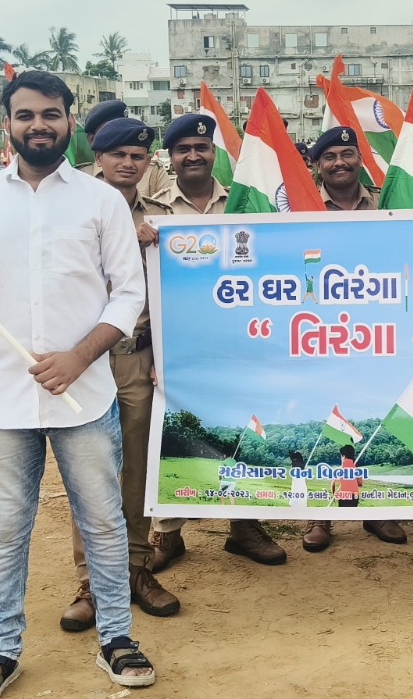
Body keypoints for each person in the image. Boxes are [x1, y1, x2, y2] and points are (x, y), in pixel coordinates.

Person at [0, 71, 156, 694]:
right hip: (4, 400)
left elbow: (128, 294)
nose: (38, 125)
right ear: (8, 124)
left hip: (86, 397)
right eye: (25, 115)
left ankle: (117, 639)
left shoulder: (102, 201)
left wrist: (79, 357)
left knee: (103, 524)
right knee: (4, 531)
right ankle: (0, 650)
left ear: (70, 122)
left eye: (51, 114)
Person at [148, 113, 287, 567]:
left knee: (240, 426)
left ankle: (244, 525)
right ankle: (168, 532)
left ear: (214, 154)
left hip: (239, 340)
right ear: (170, 157)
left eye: (201, 148)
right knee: (173, 430)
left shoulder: (244, 202)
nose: (193, 155)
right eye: (183, 149)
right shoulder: (151, 209)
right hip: (175, 346)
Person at [59, 116, 180, 634]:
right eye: (118, 155)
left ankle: (135, 568)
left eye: (138, 156)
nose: (128, 164)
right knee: (89, 468)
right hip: (86, 358)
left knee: (136, 469)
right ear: (99, 159)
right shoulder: (71, 210)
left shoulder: (162, 217)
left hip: (137, 357)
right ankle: (91, 581)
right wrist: (126, 237)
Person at [301, 126, 406, 551]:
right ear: (316, 165)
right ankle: (322, 516)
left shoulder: (387, 202)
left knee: (368, 419)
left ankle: (372, 510)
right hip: (320, 334)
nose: (339, 163)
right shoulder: (297, 207)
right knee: (326, 422)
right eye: (329, 157)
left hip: (377, 333)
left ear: (361, 160)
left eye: (347, 154)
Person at [79, 99, 172, 197]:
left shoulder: (153, 174)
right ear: (92, 139)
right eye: (110, 132)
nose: (128, 164)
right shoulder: (80, 177)